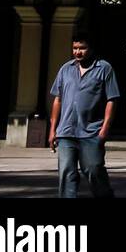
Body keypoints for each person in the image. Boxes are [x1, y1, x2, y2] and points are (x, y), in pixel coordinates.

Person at [48, 33, 120, 199]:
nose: (78, 52)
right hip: (66, 132)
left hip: (91, 131)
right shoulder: (65, 69)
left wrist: (105, 129)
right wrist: (53, 130)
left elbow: (112, 99)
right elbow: (57, 99)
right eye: (75, 48)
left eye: (82, 48)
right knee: (66, 173)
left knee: (94, 170)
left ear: (91, 49)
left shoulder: (104, 68)